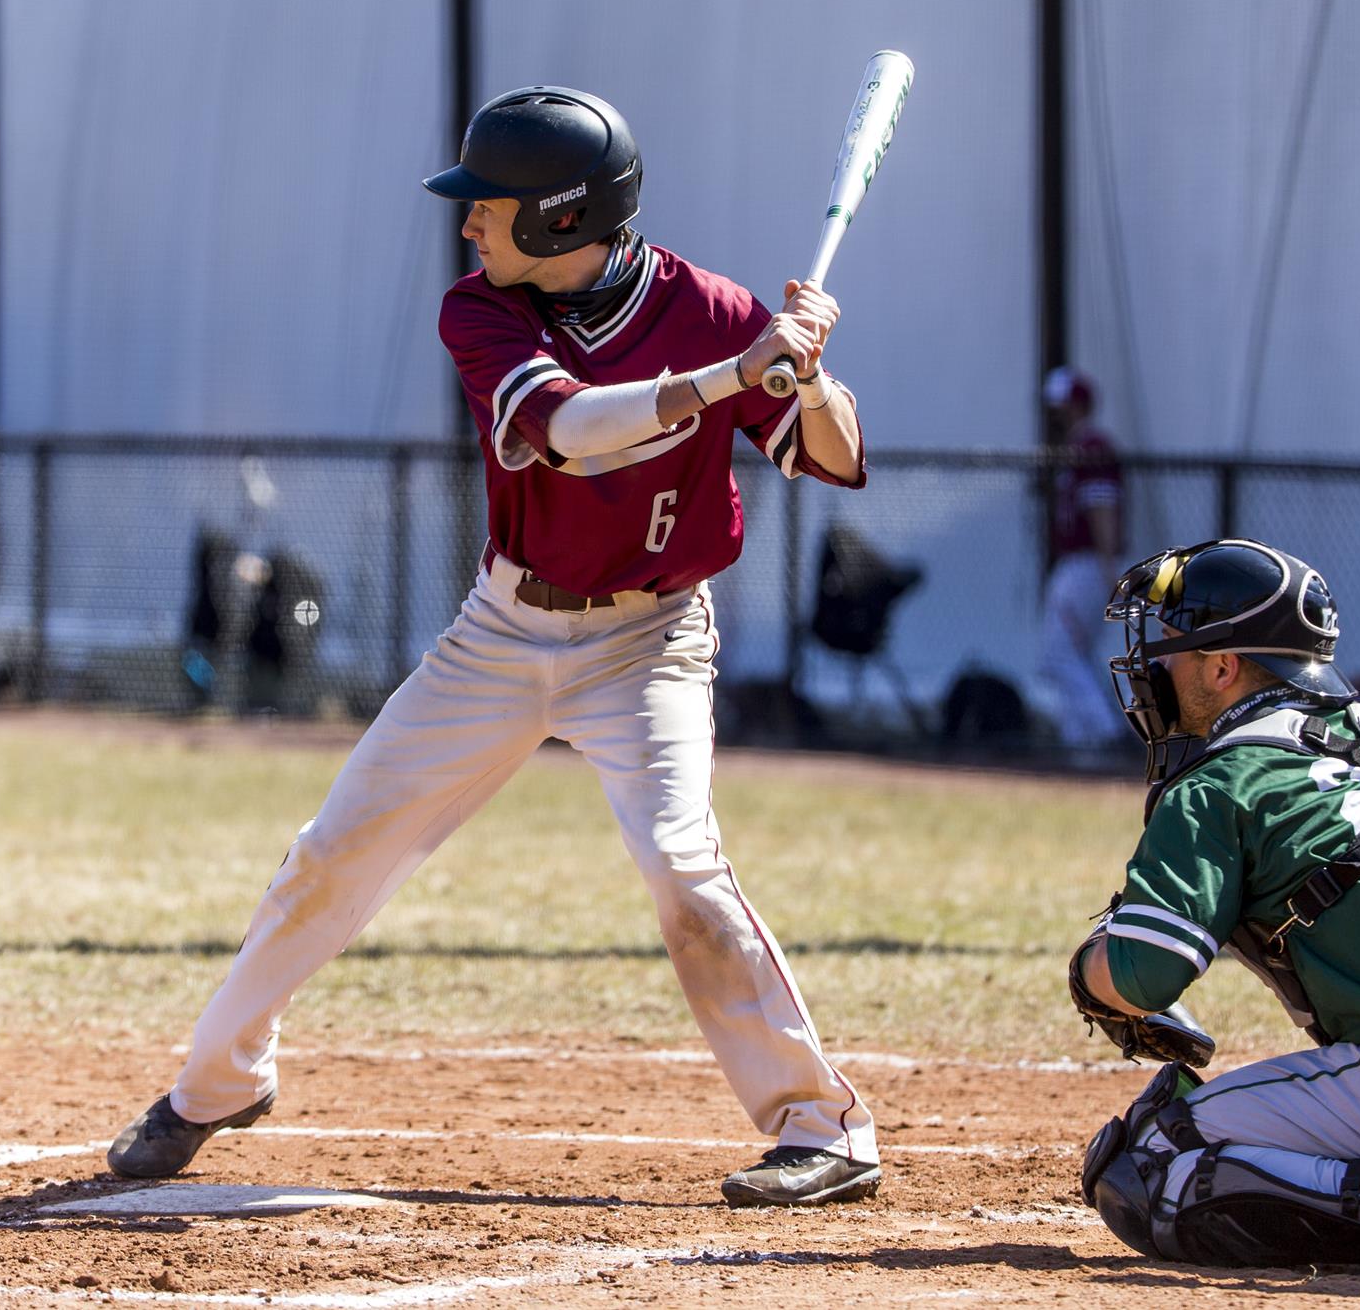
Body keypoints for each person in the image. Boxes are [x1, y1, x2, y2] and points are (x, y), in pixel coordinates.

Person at [106, 86, 880, 1207]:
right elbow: (569, 435)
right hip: (502, 631)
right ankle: (215, 1083)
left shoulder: (712, 309)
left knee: (682, 870)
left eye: (491, 206)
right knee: (335, 850)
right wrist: (728, 377)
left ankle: (824, 1129)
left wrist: (807, 374)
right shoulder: (481, 311)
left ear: (562, 218)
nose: (469, 224)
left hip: (649, 640)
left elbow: (835, 458)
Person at [1067, 538, 1360, 1271]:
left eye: (1172, 651)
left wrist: (1089, 971)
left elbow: (1144, 971)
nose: (1154, 669)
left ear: (1222, 666)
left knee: (1148, 1160)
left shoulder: (1223, 780)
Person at [1036, 366, 1127, 748]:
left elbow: (1102, 507)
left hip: (1088, 563)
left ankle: (1105, 732)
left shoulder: (1093, 448)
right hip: (1080, 563)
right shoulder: (1077, 448)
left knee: (1058, 652)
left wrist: (1107, 565)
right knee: (1072, 652)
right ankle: (1080, 737)